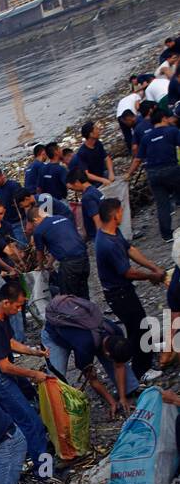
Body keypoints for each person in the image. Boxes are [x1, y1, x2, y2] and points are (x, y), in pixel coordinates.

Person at [0, 279, 51, 469]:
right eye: (17, 306)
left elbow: (9, 342)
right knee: (31, 423)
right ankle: (44, 471)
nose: (19, 311)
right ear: (5, 302)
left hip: (0, 378)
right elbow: (5, 366)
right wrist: (34, 374)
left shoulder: (0, 318)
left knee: (24, 417)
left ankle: (34, 452)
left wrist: (34, 351)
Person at [94, 198, 165, 382]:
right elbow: (127, 272)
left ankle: (143, 351)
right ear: (114, 214)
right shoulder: (107, 244)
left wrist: (153, 267)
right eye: (120, 211)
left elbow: (130, 249)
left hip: (123, 291)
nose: (122, 213)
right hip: (119, 294)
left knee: (138, 325)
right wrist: (151, 276)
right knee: (139, 327)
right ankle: (142, 369)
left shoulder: (112, 232)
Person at [41, 293, 139, 417]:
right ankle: (57, 414)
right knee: (55, 380)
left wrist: (123, 398)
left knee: (120, 360)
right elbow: (92, 379)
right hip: (55, 336)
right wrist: (112, 402)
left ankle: (129, 391)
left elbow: (119, 366)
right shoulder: (85, 347)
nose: (117, 364)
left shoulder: (115, 331)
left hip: (88, 336)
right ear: (107, 353)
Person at [29, 203, 91, 299]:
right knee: (83, 290)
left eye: (33, 224)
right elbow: (59, 245)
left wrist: (40, 267)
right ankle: (89, 311)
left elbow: (39, 252)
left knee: (69, 297)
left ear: (35, 219)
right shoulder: (62, 218)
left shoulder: (39, 230)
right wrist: (49, 264)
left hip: (69, 264)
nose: (34, 226)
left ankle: (75, 313)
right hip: (84, 258)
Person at [137, 106, 180, 242]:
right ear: (163, 118)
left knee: (163, 204)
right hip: (171, 170)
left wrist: (129, 174)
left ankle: (167, 235)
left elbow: (138, 158)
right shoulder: (172, 131)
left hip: (153, 174)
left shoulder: (145, 138)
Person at [0, 166, 27, 247]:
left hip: (19, 221)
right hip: (7, 222)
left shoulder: (13, 186)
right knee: (14, 245)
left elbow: (24, 202)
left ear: (2, 176)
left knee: (23, 245)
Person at [66, 166, 103, 240]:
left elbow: (97, 219)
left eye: (73, 187)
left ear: (77, 182)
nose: (74, 190)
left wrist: (101, 239)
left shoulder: (87, 197)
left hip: (97, 235)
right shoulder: (95, 190)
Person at [74, 121, 114, 187]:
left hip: (103, 173)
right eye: (96, 129)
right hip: (94, 181)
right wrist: (102, 180)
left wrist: (111, 172)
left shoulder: (98, 143)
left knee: (110, 175)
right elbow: (87, 174)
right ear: (91, 134)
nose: (99, 130)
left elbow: (107, 158)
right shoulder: (82, 153)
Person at [0, 202, 27, 267]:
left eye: (0, 214)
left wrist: (20, 261)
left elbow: (12, 245)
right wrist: (9, 268)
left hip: (7, 256)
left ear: (4, 212)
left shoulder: (7, 225)